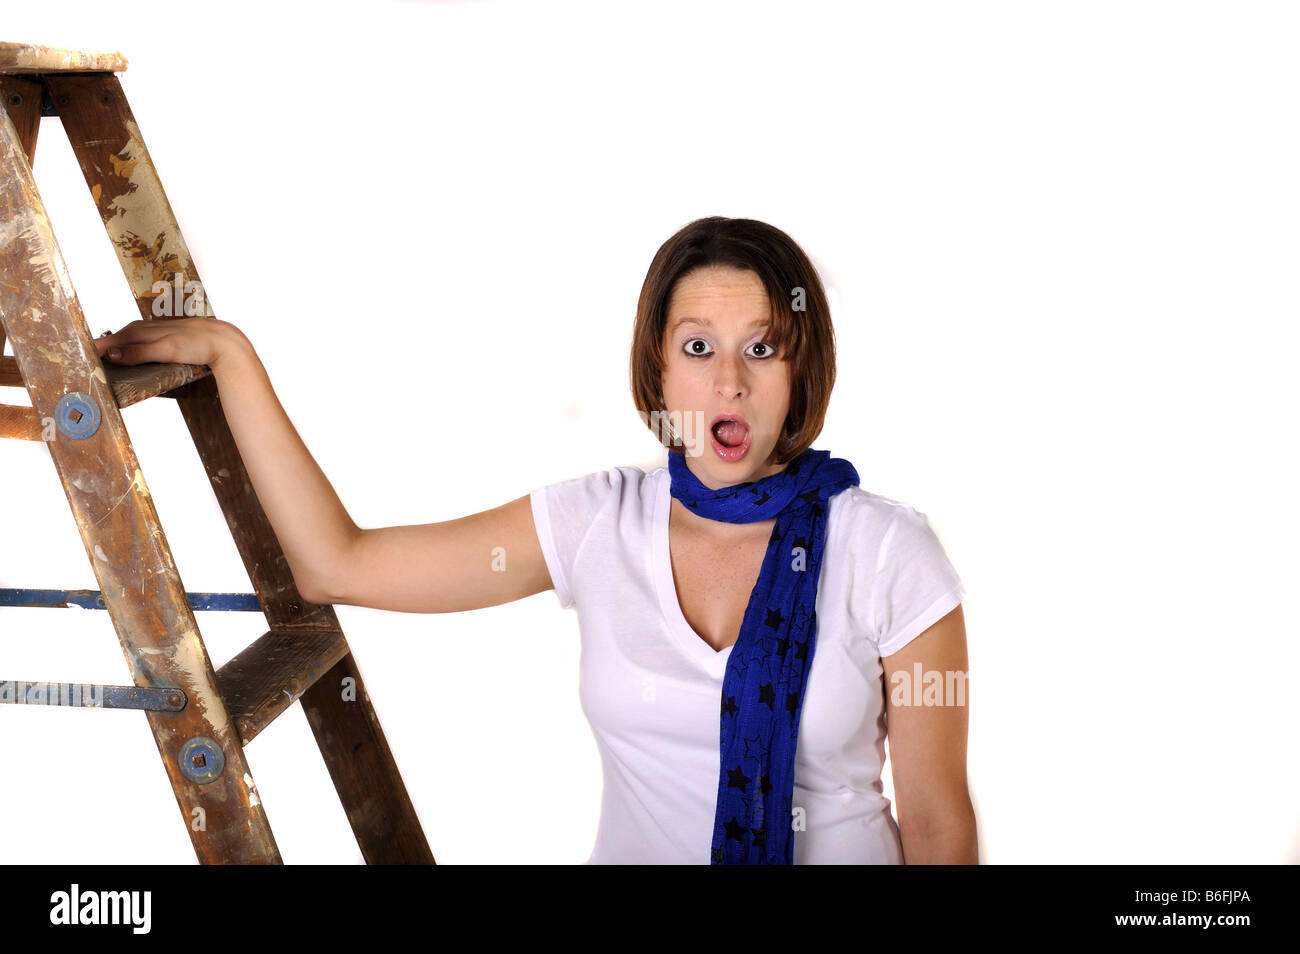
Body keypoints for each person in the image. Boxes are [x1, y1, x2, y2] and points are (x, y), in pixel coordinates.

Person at [94, 216, 975, 865]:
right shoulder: (598, 522)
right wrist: (233, 357)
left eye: (763, 349)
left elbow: (936, 826)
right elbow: (338, 564)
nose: (730, 384)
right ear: (658, 368)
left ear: (801, 369)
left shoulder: (887, 551)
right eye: (699, 347)